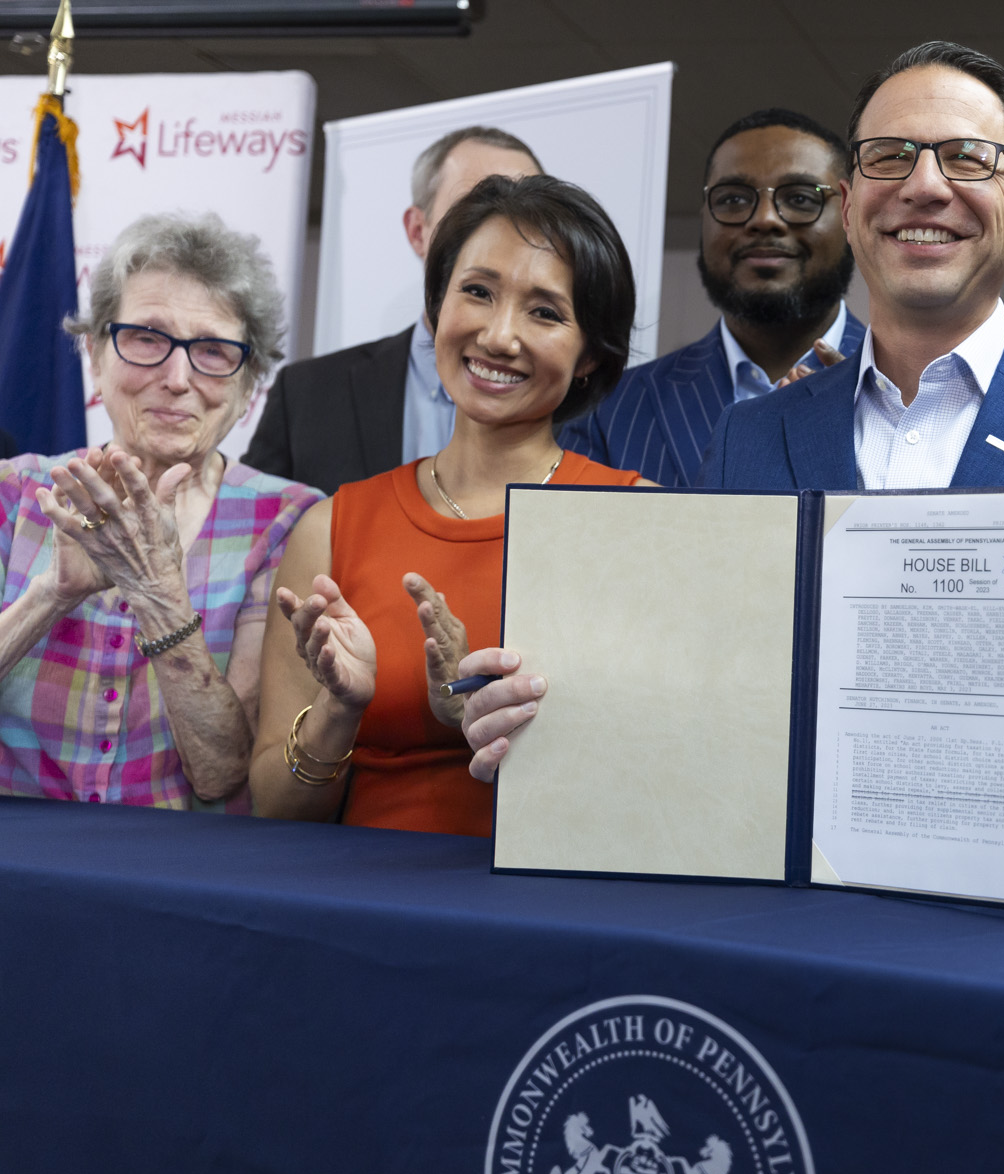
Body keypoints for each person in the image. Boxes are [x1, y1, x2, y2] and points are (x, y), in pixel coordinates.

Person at [458, 41, 1004, 897]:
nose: (925, 186)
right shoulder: (750, 438)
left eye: (968, 157)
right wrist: (546, 715)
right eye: (890, 157)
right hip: (778, 939)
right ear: (850, 201)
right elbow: (693, 701)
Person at [250, 175, 647, 836]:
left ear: (591, 357)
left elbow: (671, 788)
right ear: (435, 309)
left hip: (563, 913)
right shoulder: (332, 529)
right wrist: (339, 711)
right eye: (478, 292)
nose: (499, 335)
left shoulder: (642, 524)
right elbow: (276, 806)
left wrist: (495, 725)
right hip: (360, 907)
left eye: (545, 312)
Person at [0, 213, 321, 810]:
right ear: (95, 354)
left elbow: (224, 775)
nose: (178, 378)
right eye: (147, 338)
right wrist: (51, 593)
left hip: (174, 879)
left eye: (213, 350)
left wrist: (157, 595)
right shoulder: (12, 494)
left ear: (249, 384)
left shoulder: (288, 523)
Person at [561, 108, 866, 485]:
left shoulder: (908, 391)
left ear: (851, 213)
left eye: (801, 199)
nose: (765, 219)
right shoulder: (608, 412)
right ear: (703, 218)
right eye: (734, 200)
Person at [242, 126, 543, 494]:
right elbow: (252, 540)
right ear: (418, 231)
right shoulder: (308, 396)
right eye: (474, 214)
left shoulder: (580, 400)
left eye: (527, 219)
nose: (501, 240)